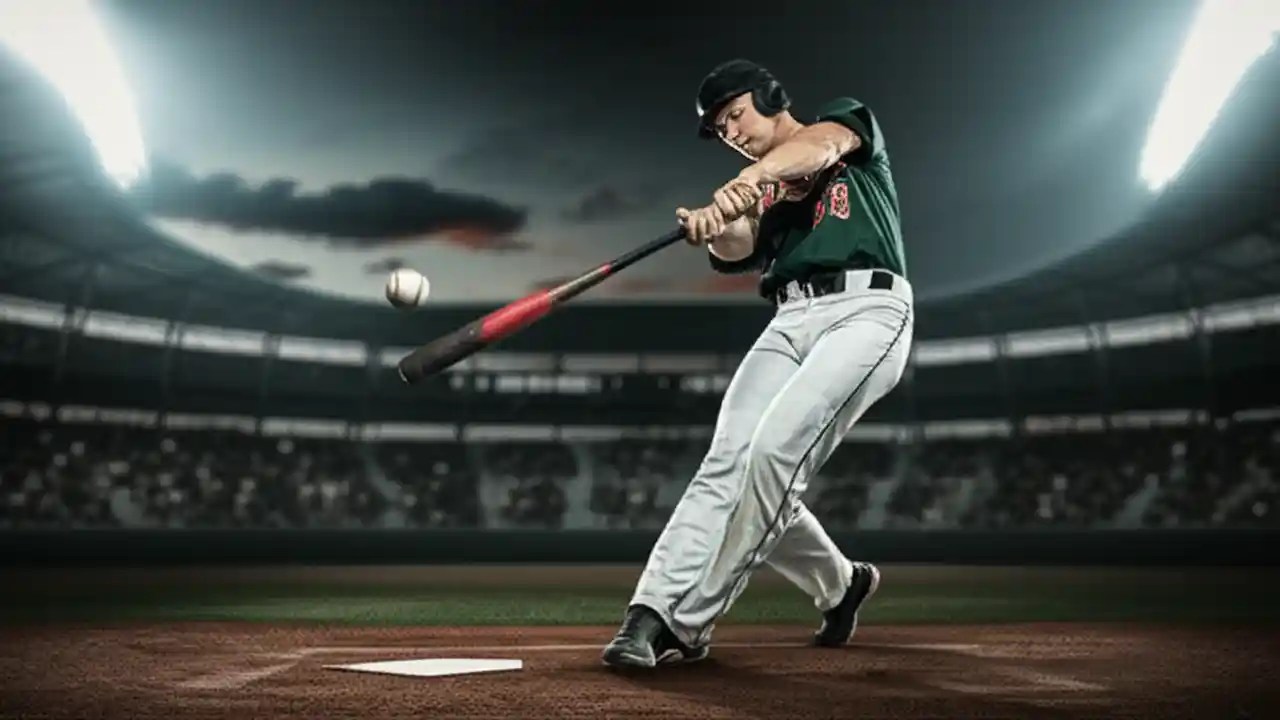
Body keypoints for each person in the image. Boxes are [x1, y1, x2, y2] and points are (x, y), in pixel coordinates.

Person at [602, 59, 914, 669]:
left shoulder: (844, 123)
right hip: (790, 319)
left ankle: (684, 623)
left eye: (735, 114)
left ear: (770, 96)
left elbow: (819, 148)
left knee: (773, 454)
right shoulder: (756, 192)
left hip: (867, 310)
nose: (731, 132)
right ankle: (832, 586)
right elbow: (739, 245)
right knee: (730, 463)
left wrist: (753, 180)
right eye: (720, 128)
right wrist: (711, 226)